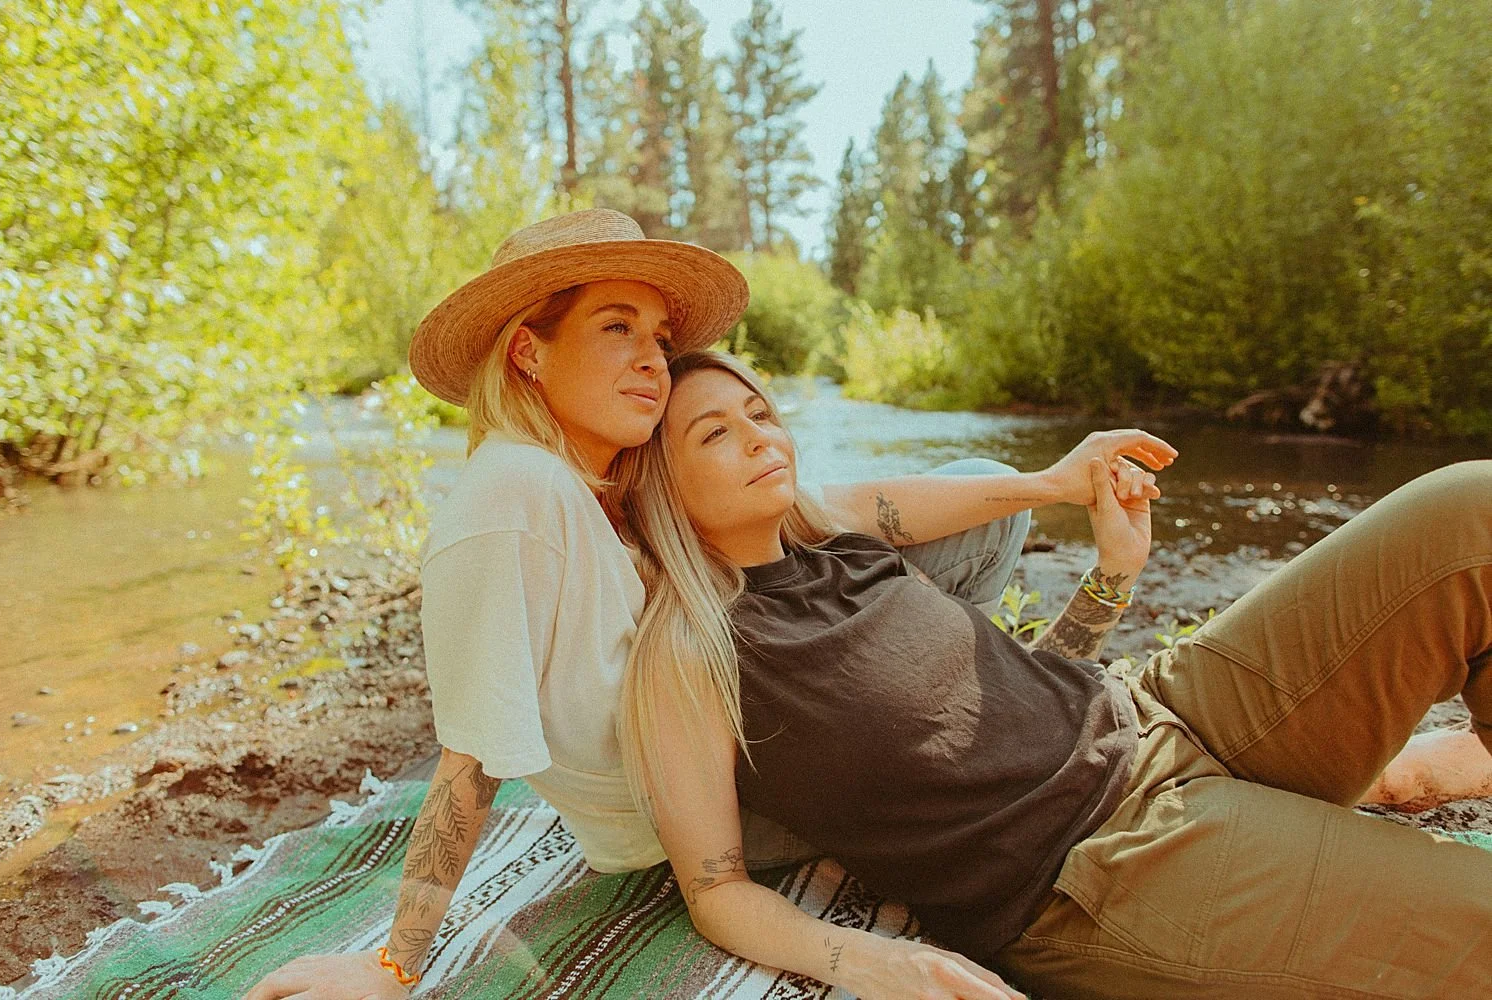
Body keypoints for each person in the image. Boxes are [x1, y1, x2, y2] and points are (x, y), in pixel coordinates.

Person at [244, 209, 1175, 1000]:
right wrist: (393, 964)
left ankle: (999, 699)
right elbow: (473, 754)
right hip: (703, 802)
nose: (653, 358)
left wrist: (1050, 483)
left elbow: (839, 508)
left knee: (944, 495)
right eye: (617, 329)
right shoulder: (512, 496)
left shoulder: (604, 479)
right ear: (528, 351)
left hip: (751, 731)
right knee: (875, 550)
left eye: (658, 337)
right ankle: (973, 741)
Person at [610, 349, 1492, 1000]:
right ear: (660, 486)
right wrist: (870, 962)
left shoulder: (834, 537)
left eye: (760, 412)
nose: (760, 437)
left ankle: (1403, 770)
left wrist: (1100, 549)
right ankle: (1388, 783)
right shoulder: (690, 649)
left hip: (1165, 710)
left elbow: (1017, 690)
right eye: (715, 434)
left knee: (1469, 513)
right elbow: (716, 888)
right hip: (1103, 869)